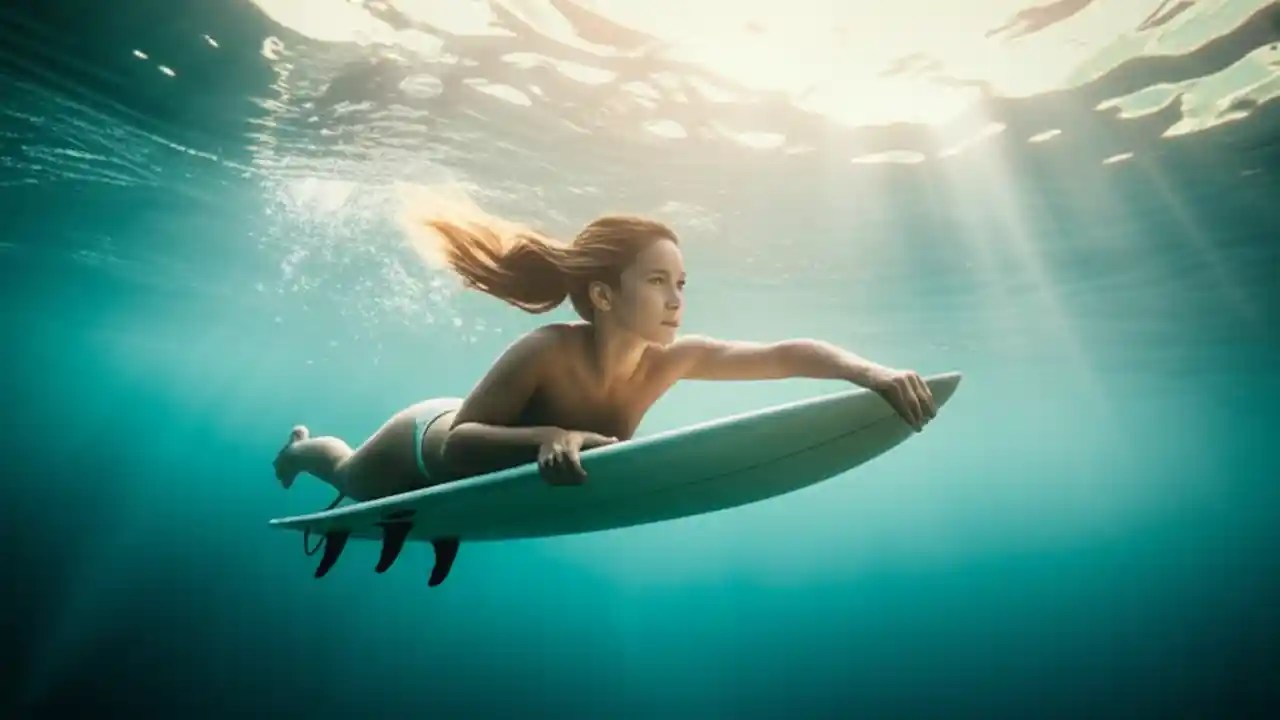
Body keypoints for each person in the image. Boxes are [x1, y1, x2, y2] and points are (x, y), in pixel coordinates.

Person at [273, 212, 937, 505]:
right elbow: (455, 449)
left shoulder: (670, 360)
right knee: (347, 474)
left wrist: (869, 372)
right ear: (602, 293)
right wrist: (548, 439)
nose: (677, 300)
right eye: (657, 282)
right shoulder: (545, 349)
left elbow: (785, 354)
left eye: (681, 284)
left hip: (475, 437)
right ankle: (298, 449)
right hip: (423, 439)